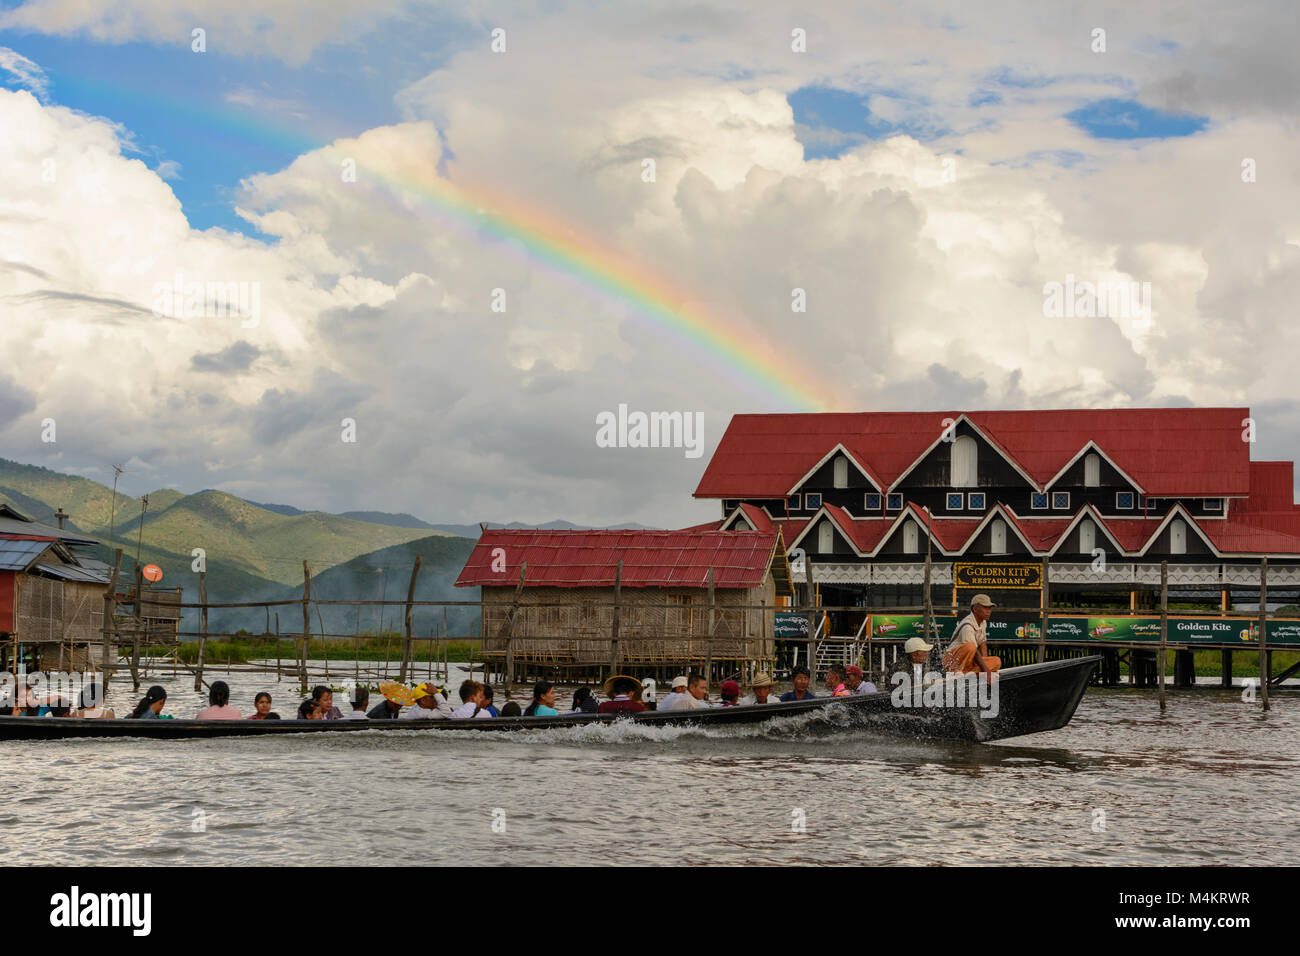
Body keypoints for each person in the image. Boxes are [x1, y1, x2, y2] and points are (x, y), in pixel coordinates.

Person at [942, 594, 1002, 680]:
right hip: (952, 661)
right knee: (971, 646)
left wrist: (985, 666)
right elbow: (974, 651)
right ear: (975, 609)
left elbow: (983, 644)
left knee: (996, 661)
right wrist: (987, 671)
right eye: (985, 608)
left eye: (990, 608)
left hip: (968, 663)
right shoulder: (967, 625)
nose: (989, 611)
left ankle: (968, 674)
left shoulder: (983, 622)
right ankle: (955, 673)